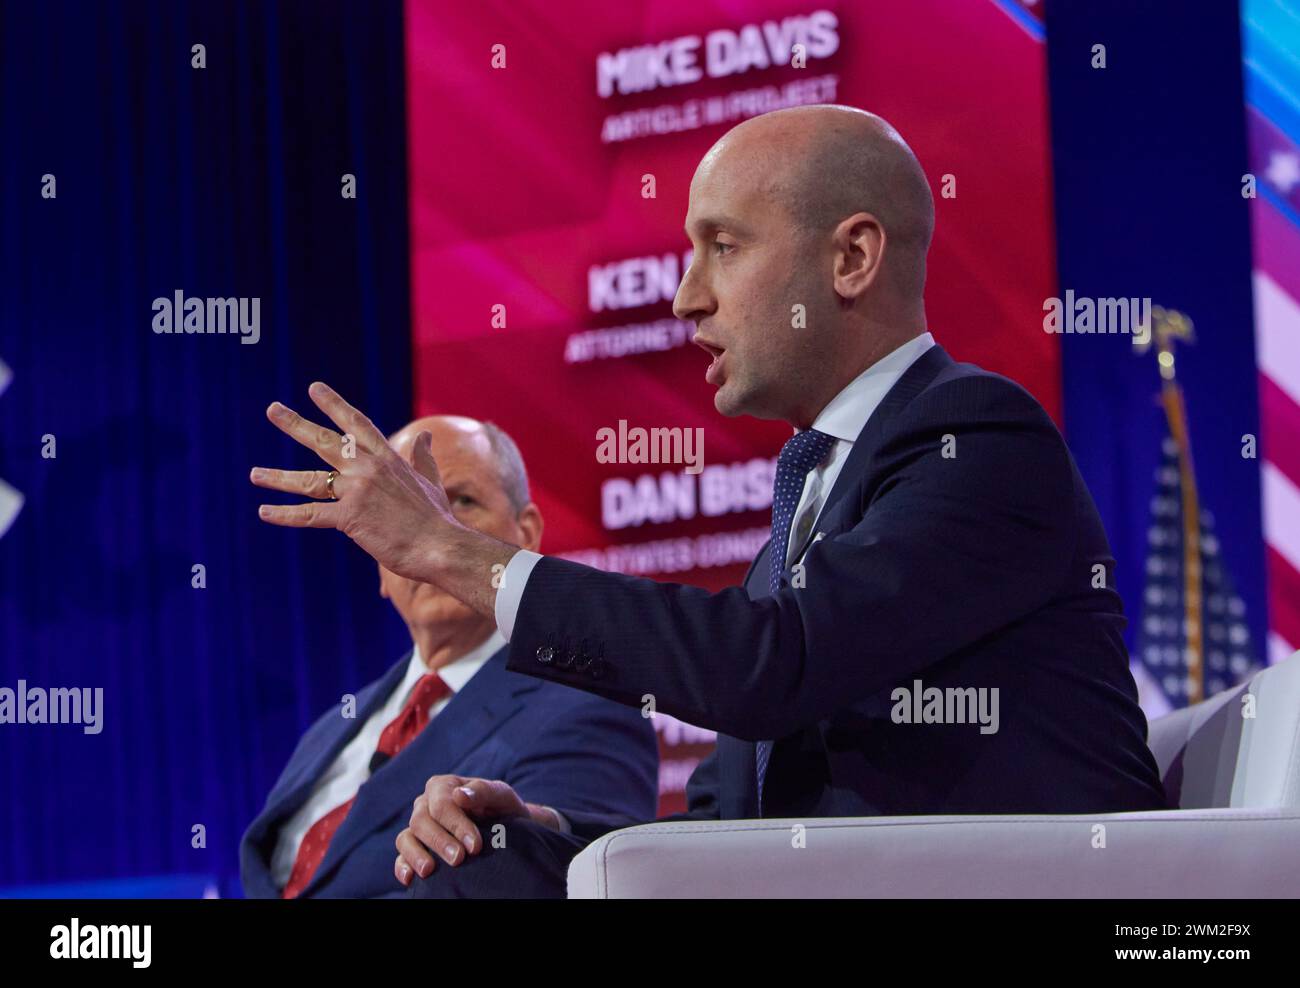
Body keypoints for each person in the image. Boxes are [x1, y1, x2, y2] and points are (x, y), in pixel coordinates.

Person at [250, 105, 1169, 898]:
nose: (687, 297)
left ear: (851, 257)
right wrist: (536, 838)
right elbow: (728, 823)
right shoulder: (805, 504)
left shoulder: (976, 438)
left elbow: (768, 667)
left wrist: (449, 550)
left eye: (722, 247)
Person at [241, 416, 658, 898]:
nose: (429, 533)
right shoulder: (331, 728)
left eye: (460, 501)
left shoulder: (590, 702)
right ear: (381, 567)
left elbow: (552, 876)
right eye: (403, 512)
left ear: (527, 535)